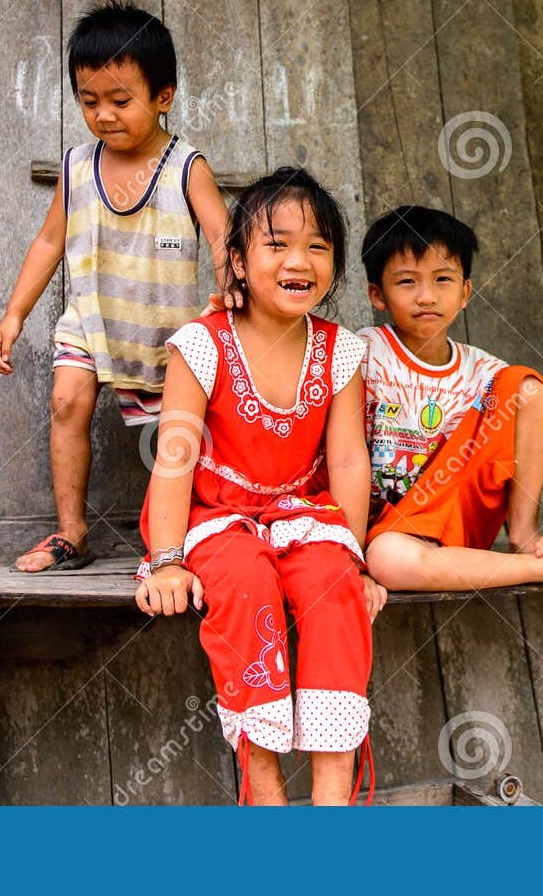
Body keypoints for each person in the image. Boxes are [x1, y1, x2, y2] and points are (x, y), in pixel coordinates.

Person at [135, 167, 385, 805]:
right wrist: (166, 562)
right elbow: (174, 460)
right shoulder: (202, 345)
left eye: (318, 246)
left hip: (304, 514)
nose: (299, 261)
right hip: (216, 516)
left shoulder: (340, 352)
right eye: (277, 244)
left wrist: (354, 560)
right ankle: (264, 781)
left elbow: (348, 461)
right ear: (239, 263)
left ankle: (333, 797)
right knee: (246, 584)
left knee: (334, 587)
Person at [0, 0, 233, 573]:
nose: (103, 115)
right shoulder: (77, 167)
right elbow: (49, 242)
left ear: (163, 96)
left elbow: (223, 237)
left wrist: (232, 296)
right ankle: (71, 531)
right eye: (89, 100)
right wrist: (14, 313)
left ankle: (186, 535)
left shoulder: (186, 166)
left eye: (121, 101)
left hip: (169, 332)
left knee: (180, 437)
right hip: (92, 322)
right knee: (65, 401)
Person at [357, 205, 543, 620]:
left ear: (465, 293)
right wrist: (349, 560)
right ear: (377, 295)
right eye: (407, 282)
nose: (426, 296)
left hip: (456, 520)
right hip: (384, 532)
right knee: (389, 561)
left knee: (525, 385)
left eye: (443, 279)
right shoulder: (363, 354)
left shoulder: (483, 372)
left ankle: (524, 536)